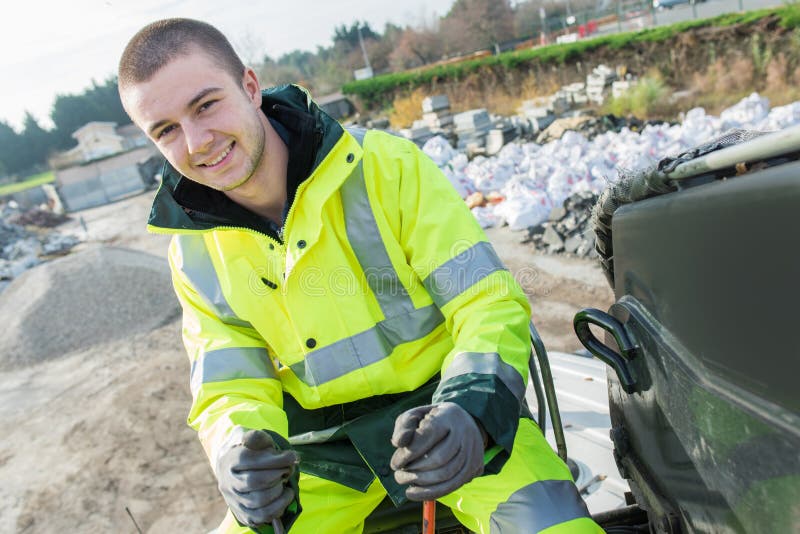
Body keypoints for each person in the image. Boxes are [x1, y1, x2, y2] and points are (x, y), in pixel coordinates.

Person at [118, 18, 602, 534]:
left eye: (205, 105)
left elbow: (486, 302)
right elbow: (228, 383)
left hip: (443, 420)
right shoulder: (193, 251)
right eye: (166, 130)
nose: (196, 141)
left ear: (251, 87)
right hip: (321, 459)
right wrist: (236, 450)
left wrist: (473, 411)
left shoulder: (388, 169)